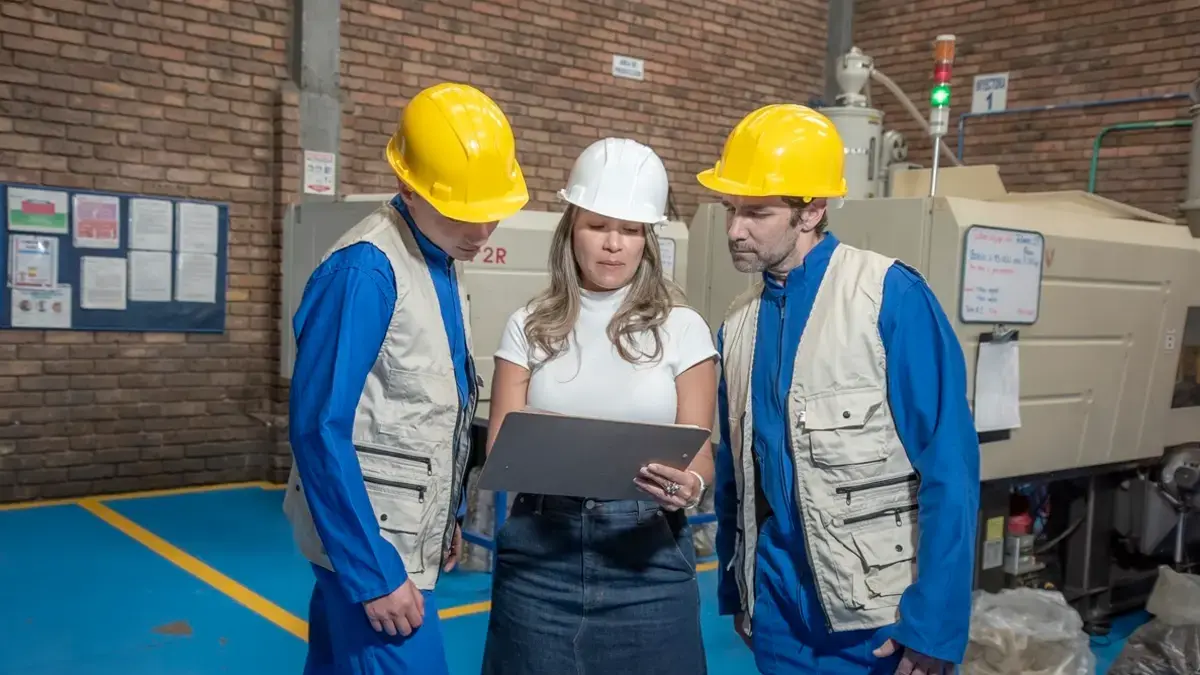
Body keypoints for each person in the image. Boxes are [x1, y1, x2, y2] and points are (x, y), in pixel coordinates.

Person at [698, 103, 981, 674]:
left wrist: (934, 624)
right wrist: (739, 590)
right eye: (731, 210)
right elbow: (737, 475)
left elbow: (949, 466)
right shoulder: (738, 325)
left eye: (757, 212)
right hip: (777, 612)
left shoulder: (887, 297)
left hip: (879, 619)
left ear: (813, 210)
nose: (734, 230)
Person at [282, 82, 530, 675]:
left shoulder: (438, 262)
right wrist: (374, 573)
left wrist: (444, 518)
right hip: (369, 548)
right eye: (460, 214)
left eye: (490, 213)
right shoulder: (366, 270)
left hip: (388, 532)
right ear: (407, 187)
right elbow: (319, 429)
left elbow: (423, 413)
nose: (481, 232)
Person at [480, 137, 719, 675]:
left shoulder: (683, 329)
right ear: (572, 228)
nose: (614, 244)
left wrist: (692, 487)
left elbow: (699, 454)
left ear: (647, 239)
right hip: (542, 555)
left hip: (648, 557)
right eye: (598, 225)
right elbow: (499, 447)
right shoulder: (527, 325)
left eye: (630, 230)